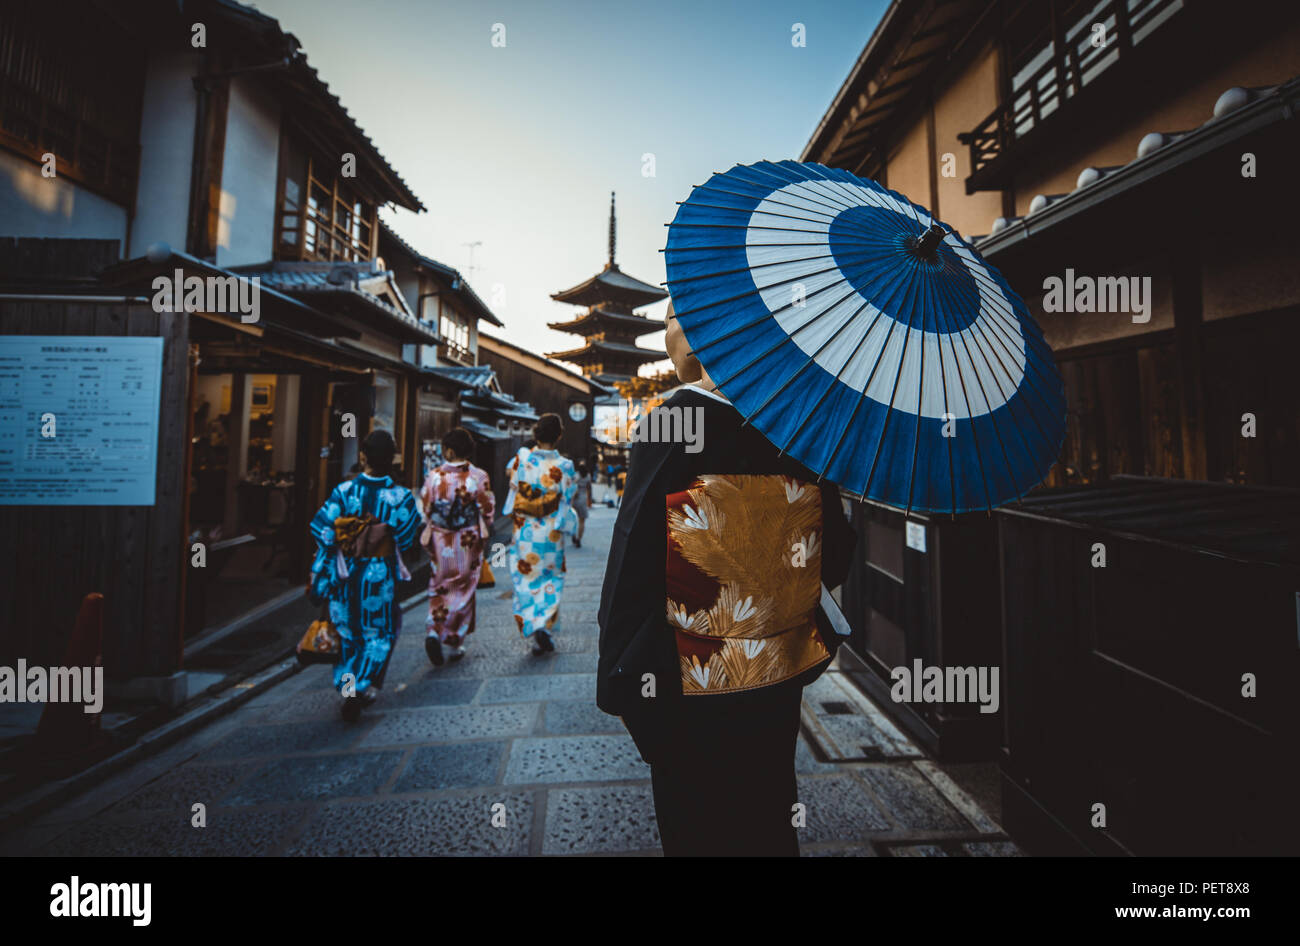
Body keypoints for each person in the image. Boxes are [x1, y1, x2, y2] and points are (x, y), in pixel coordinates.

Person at [596, 305, 856, 856]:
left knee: (698, 825)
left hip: (687, 674)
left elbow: (633, 563)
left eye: (674, 313)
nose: (668, 327)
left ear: (697, 334)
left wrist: (621, 675)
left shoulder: (674, 419)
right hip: (773, 667)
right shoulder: (792, 424)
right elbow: (835, 555)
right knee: (765, 812)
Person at [309, 429, 421, 721]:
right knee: (378, 632)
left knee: (347, 631)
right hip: (378, 573)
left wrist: (344, 542)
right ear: (392, 459)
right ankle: (361, 685)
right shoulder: (400, 497)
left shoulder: (344, 492)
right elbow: (409, 536)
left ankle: (348, 689)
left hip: (345, 572)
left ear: (363, 457)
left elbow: (323, 529)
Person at [419, 427, 494, 666]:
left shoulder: (434, 477)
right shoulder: (479, 477)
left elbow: (426, 507)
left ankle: (433, 630)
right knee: (462, 589)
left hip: (441, 539)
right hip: (467, 539)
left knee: (438, 586)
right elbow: (488, 509)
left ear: (448, 451)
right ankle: (453, 641)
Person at [504, 413, 577, 655]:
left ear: (535, 434)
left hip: (525, 530)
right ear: (559, 436)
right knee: (551, 578)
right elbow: (568, 497)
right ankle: (544, 625)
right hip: (551, 531)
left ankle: (533, 625)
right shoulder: (565, 466)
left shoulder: (522, 460)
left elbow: (511, 480)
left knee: (525, 578)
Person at [572, 461, 593, 547]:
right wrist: (590, 500)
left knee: (573, 519)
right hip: (583, 498)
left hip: (575, 498)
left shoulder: (576, 475)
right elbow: (589, 488)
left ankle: (573, 535)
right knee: (582, 521)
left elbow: (573, 484)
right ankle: (579, 539)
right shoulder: (588, 476)